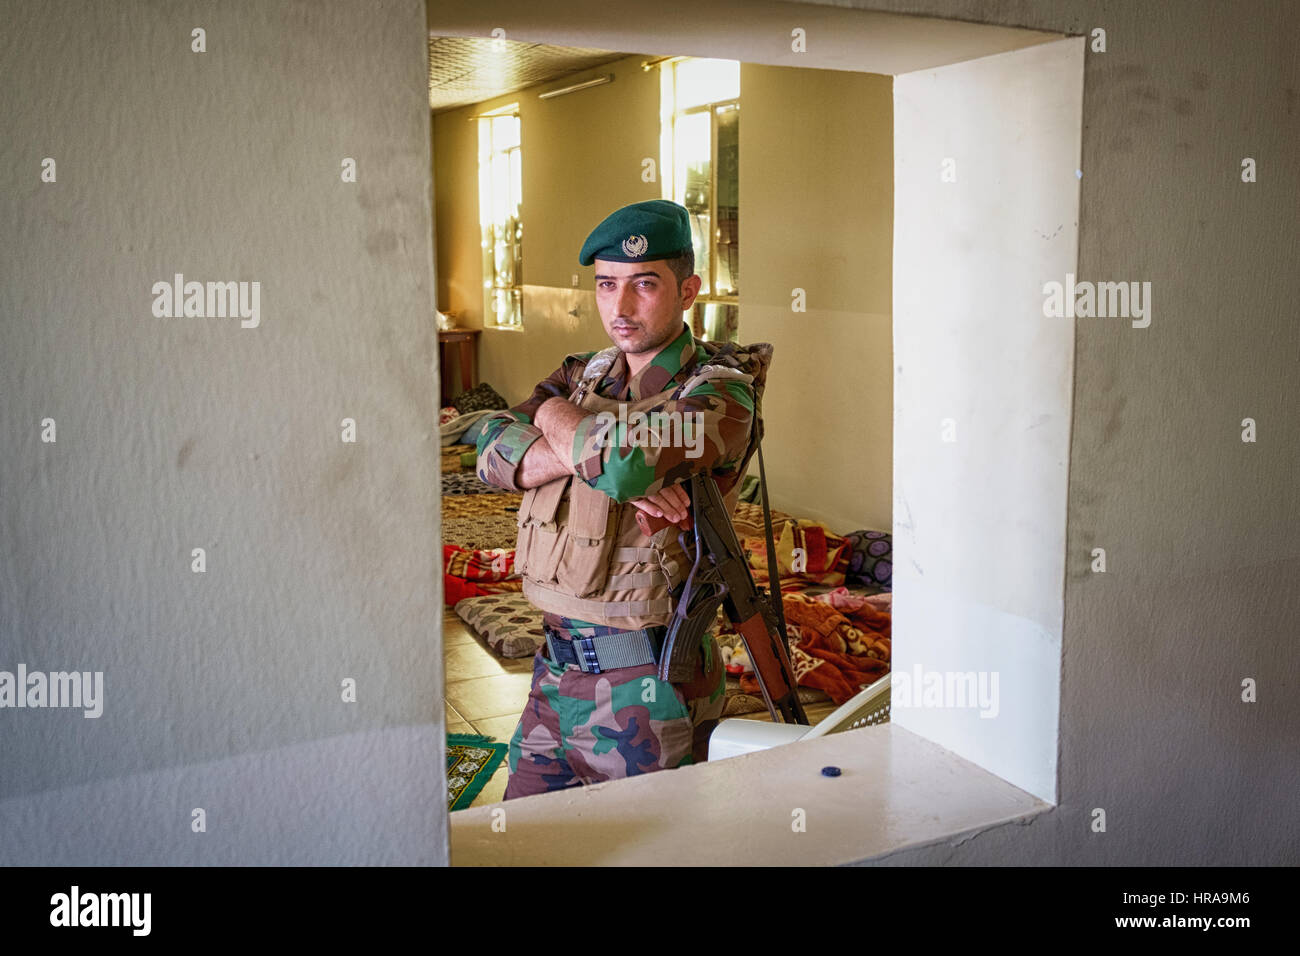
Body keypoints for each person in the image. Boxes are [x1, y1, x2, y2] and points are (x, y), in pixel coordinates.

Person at [475, 198, 771, 799]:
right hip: (555, 670)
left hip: (649, 683)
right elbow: (488, 448)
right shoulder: (582, 374)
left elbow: (623, 466)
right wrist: (590, 451)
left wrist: (558, 425)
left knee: (646, 848)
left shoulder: (720, 395)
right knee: (521, 844)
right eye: (607, 286)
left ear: (687, 290)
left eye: (644, 285)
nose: (622, 306)